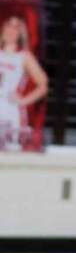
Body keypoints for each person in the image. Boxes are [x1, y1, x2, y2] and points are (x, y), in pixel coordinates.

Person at [0, 16, 49, 152]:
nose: (11, 30)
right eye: (9, 25)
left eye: (16, 27)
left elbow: (43, 84)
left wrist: (23, 101)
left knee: (10, 152)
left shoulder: (24, 57)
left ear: (21, 33)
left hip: (10, 112)